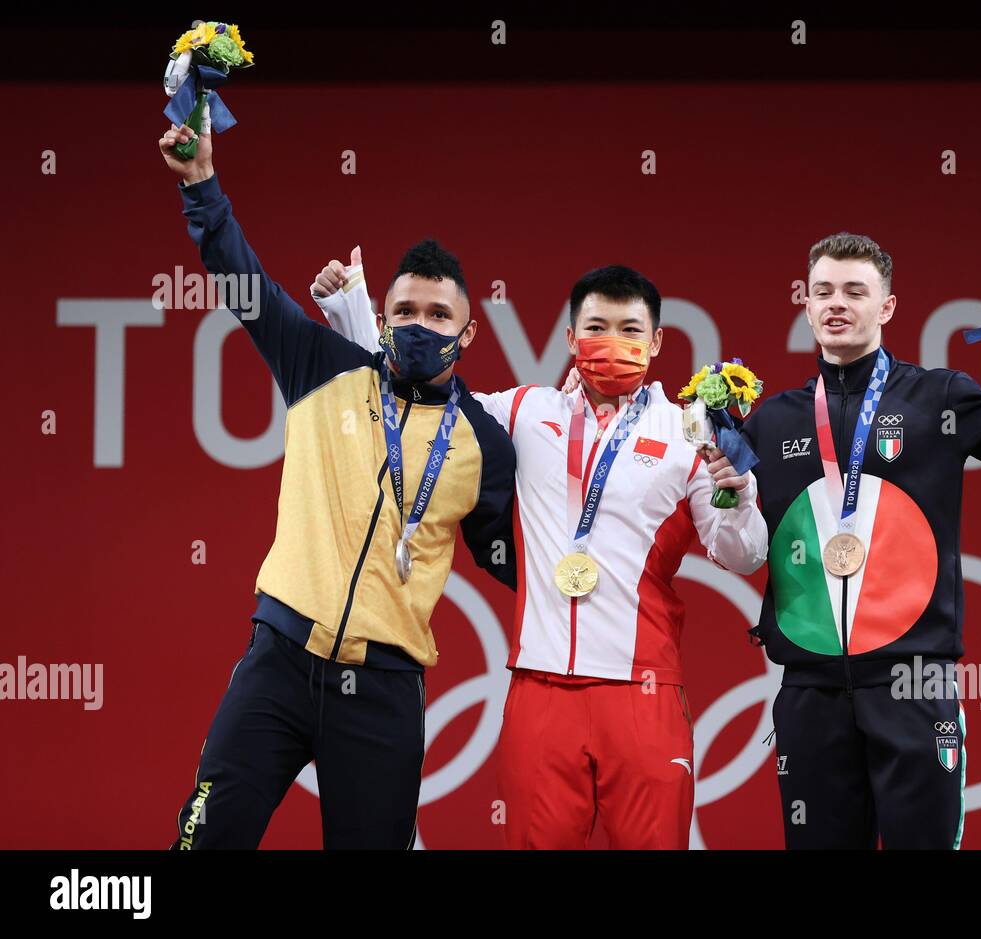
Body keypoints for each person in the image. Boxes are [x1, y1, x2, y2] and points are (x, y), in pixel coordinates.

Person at [314, 259, 768, 849]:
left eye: (630, 330)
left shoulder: (690, 432)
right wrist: (351, 312)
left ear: (657, 342)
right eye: (597, 328)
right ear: (571, 338)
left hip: (643, 690)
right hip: (539, 689)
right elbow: (418, 400)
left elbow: (742, 556)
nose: (613, 342)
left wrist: (738, 491)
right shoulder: (524, 411)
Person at [158, 122, 516, 849]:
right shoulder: (323, 367)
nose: (420, 326)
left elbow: (515, 559)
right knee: (206, 840)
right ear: (381, 320)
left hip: (383, 689)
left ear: (468, 332)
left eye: (439, 315)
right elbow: (245, 285)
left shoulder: (485, 444)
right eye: (405, 312)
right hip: (279, 663)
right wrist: (200, 185)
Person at [739, 232, 981, 849]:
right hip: (809, 690)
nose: (837, 303)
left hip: (914, 684)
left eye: (855, 291)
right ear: (807, 304)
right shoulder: (771, 422)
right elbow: (735, 539)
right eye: (823, 291)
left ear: (888, 307)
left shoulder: (939, 397)